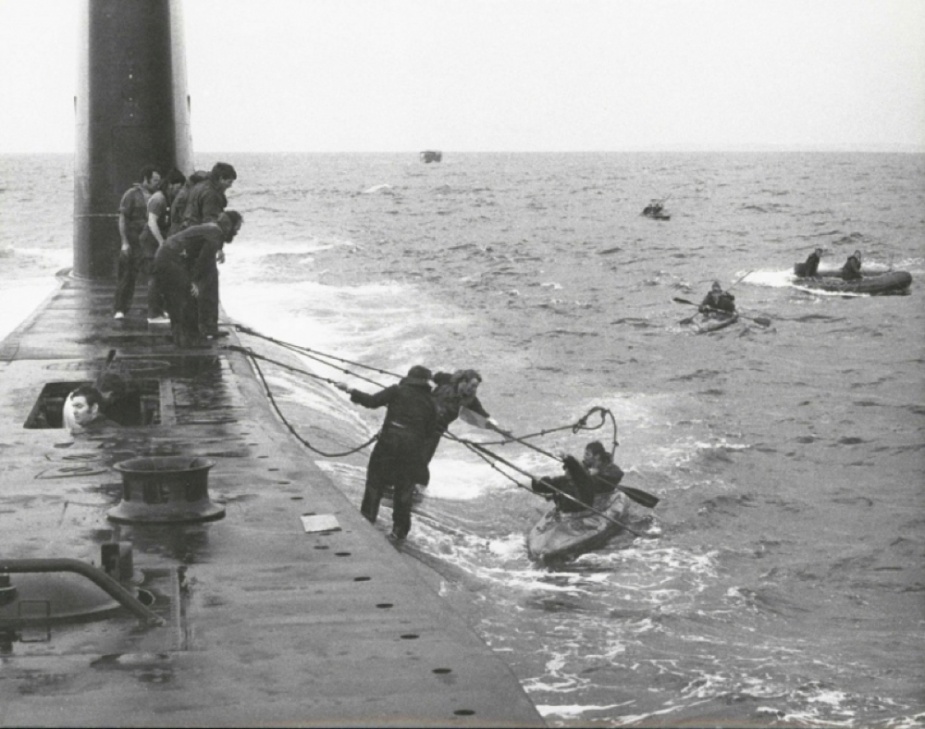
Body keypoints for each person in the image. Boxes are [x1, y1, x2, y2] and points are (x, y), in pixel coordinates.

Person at [336, 366, 437, 542]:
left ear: (409, 378)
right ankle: (399, 532)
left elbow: (371, 401)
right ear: (426, 382)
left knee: (375, 483)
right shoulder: (430, 402)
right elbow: (430, 432)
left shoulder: (396, 390)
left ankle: (367, 521)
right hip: (412, 450)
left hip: (388, 443)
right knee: (404, 491)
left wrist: (349, 389)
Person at [154, 211, 243, 348]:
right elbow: (203, 261)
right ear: (228, 226)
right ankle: (188, 341)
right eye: (236, 229)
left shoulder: (212, 228)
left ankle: (184, 337)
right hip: (171, 259)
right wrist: (193, 282)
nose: (236, 233)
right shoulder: (215, 233)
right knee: (188, 297)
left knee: (181, 299)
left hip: (167, 256)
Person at [180, 162, 238, 340]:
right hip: (201, 243)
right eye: (229, 181)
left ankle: (193, 324)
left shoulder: (199, 186)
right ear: (221, 178)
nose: (230, 186)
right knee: (209, 282)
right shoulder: (212, 195)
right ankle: (208, 326)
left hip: (189, 239)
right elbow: (212, 225)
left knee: (195, 283)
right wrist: (218, 248)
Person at [423, 369, 506, 473]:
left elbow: (485, 416)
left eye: (475, 387)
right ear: (463, 381)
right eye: (472, 385)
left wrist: (501, 430)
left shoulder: (471, 400)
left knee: (423, 461)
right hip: (421, 420)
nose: (473, 389)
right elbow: (428, 377)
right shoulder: (446, 379)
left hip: (435, 431)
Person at [114, 165, 162, 319]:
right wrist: (124, 243)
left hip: (150, 243)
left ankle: (158, 309)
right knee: (127, 277)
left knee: (156, 275)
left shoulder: (158, 196)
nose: (157, 183)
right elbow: (122, 219)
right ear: (145, 179)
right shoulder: (131, 195)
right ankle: (120, 309)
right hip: (134, 241)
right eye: (155, 180)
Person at [141, 168, 186, 323]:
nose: (179, 191)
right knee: (155, 277)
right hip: (151, 243)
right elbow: (151, 222)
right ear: (170, 185)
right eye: (178, 187)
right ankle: (153, 315)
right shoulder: (159, 199)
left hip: (157, 243)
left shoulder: (166, 198)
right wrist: (161, 242)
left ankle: (159, 310)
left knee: (161, 276)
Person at [530, 441, 625, 513]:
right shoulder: (586, 465)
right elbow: (577, 473)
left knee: (579, 479)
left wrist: (599, 472)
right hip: (582, 491)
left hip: (592, 497)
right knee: (563, 481)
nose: (584, 457)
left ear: (597, 456)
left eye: (587, 454)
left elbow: (618, 474)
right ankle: (539, 484)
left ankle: (567, 458)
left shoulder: (610, 468)